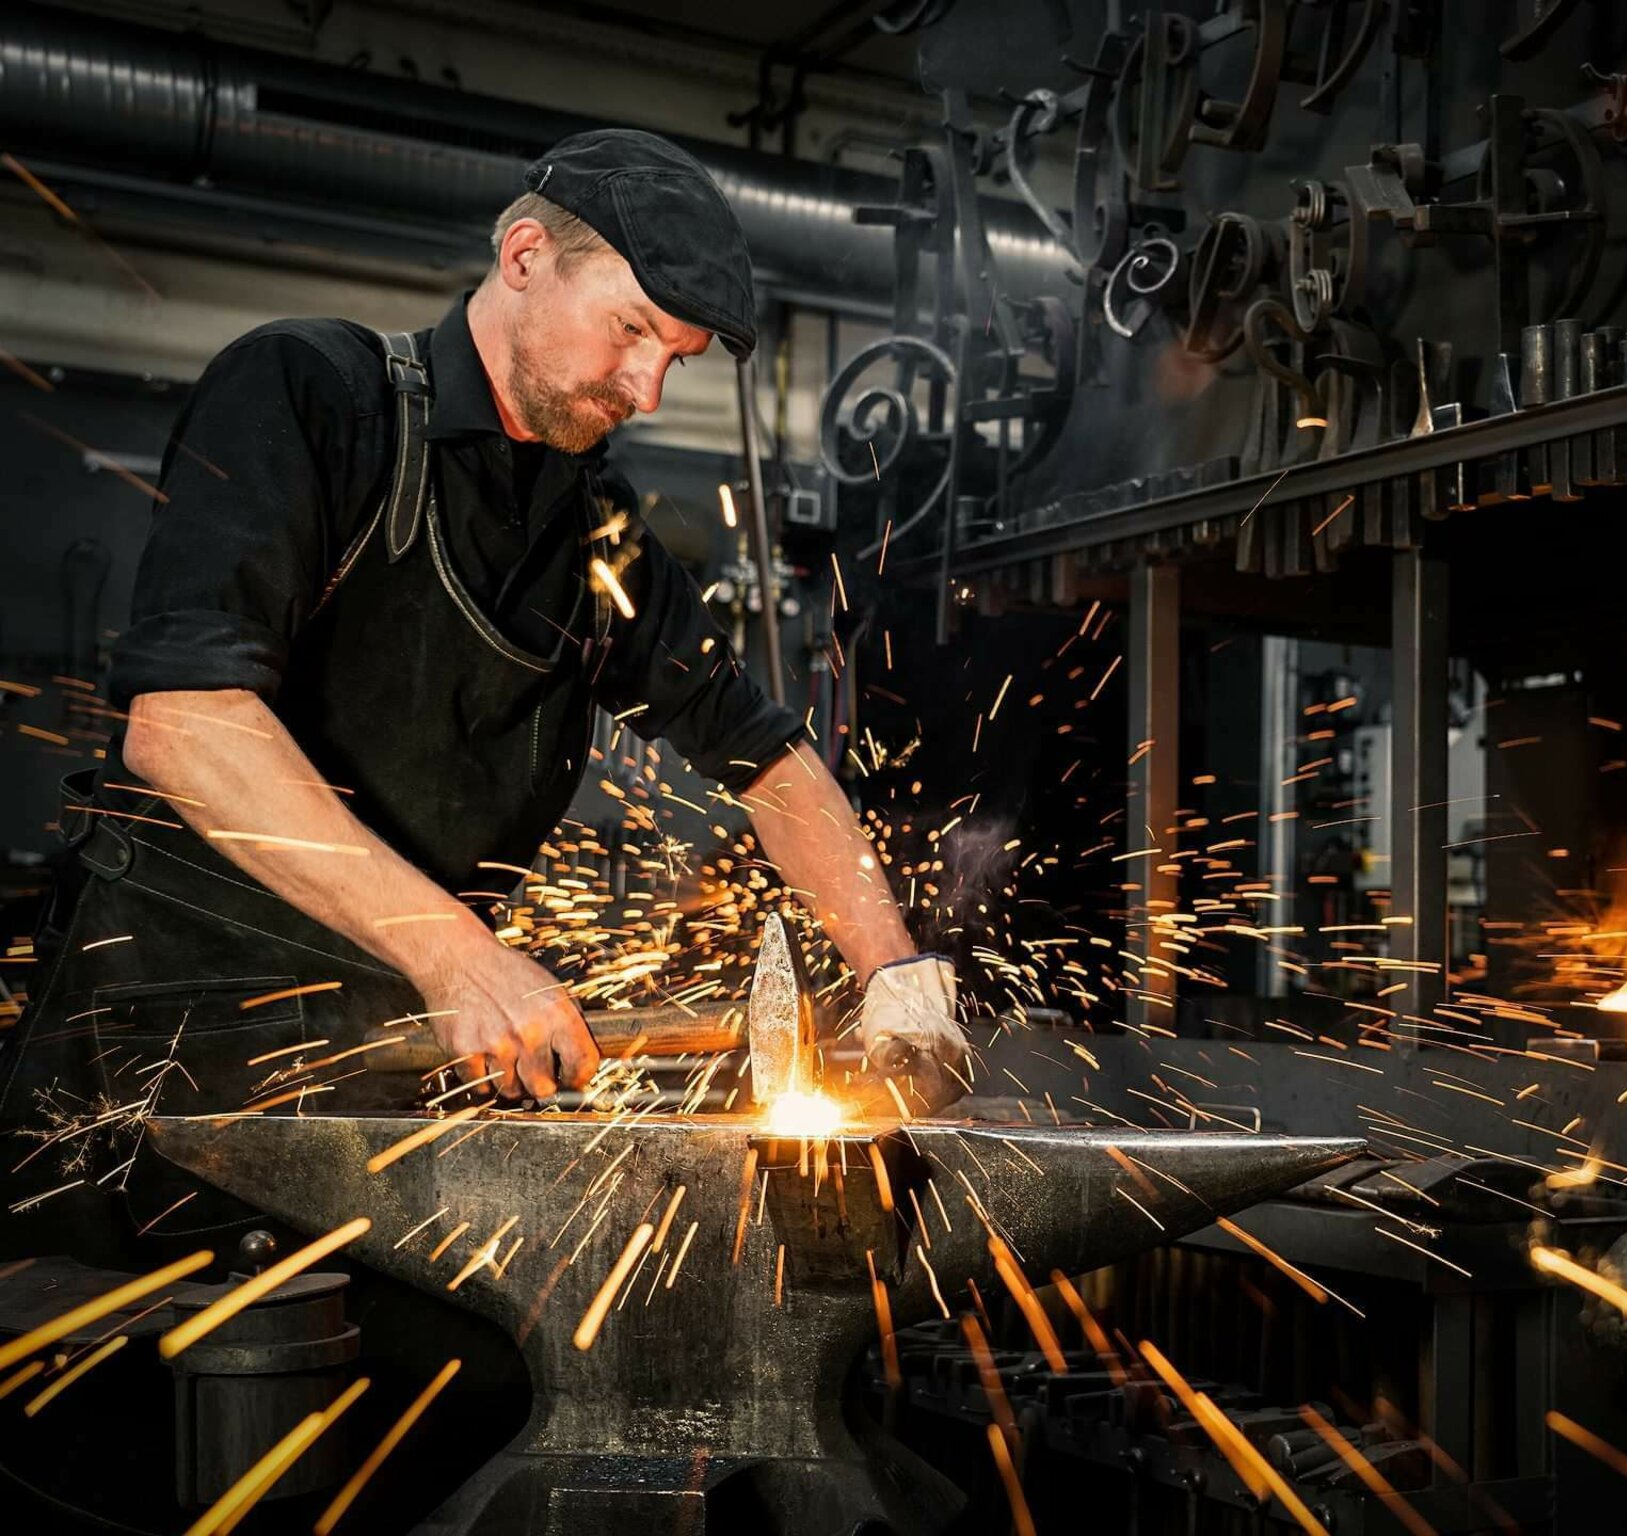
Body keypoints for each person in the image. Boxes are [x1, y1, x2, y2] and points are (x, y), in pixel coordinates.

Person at [0, 129, 965, 1259]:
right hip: (159, 1061)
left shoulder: (597, 537)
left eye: (679, 359)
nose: (649, 389)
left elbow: (769, 761)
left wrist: (894, 972)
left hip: (382, 1070)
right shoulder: (311, 394)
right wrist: (459, 957)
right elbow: (184, 727)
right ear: (524, 257)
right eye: (632, 330)